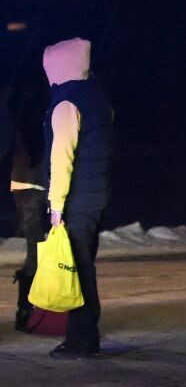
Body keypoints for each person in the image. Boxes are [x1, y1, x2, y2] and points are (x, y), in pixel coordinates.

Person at [42, 38, 112, 357]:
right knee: (82, 265)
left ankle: (82, 340)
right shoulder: (95, 97)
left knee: (77, 268)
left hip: (77, 198)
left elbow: (62, 158)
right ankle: (82, 336)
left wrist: (56, 206)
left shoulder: (67, 103)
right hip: (96, 193)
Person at [4, 77, 50, 332]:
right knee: (38, 249)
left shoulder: (19, 111)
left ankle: (28, 310)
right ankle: (30, 309)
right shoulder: (33, 112)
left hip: (29, 182)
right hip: (34, 182)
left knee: (37, 248)